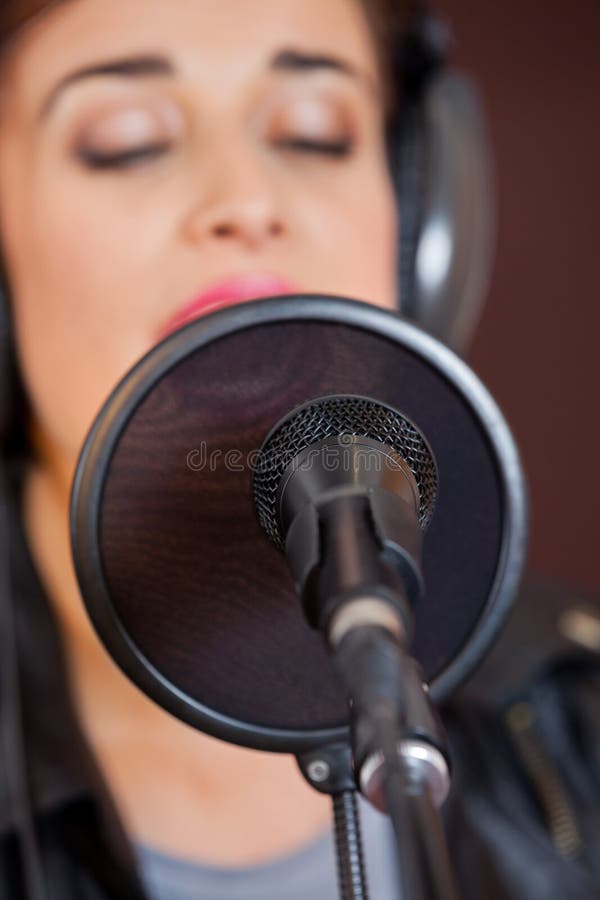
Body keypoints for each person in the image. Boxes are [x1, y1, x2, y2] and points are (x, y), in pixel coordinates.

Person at [1, 2, 600, 900]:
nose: (246, 200)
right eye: (126, 143)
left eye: (315, 134)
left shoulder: (577, 714)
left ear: (418, 221)